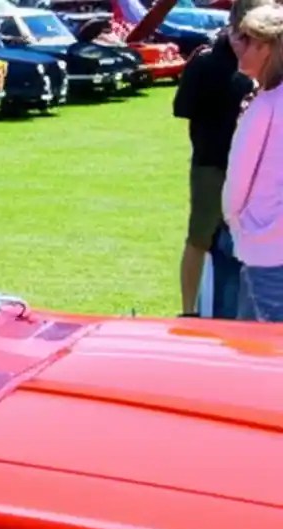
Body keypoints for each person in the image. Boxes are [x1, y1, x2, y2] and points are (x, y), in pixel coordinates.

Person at [172, 0, 265, 318]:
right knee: (199, 236)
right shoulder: (207, 62)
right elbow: (184, 109)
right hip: (213, 163)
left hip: (254, 167)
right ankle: (188, 310)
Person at [225, 3, 283, 320]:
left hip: (267, 248)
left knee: (266, 350)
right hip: (267, 244)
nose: (238, 45)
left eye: (246, 39)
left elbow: (237, 182)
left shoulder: (265, 105)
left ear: (266, 47)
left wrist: (238, 223)